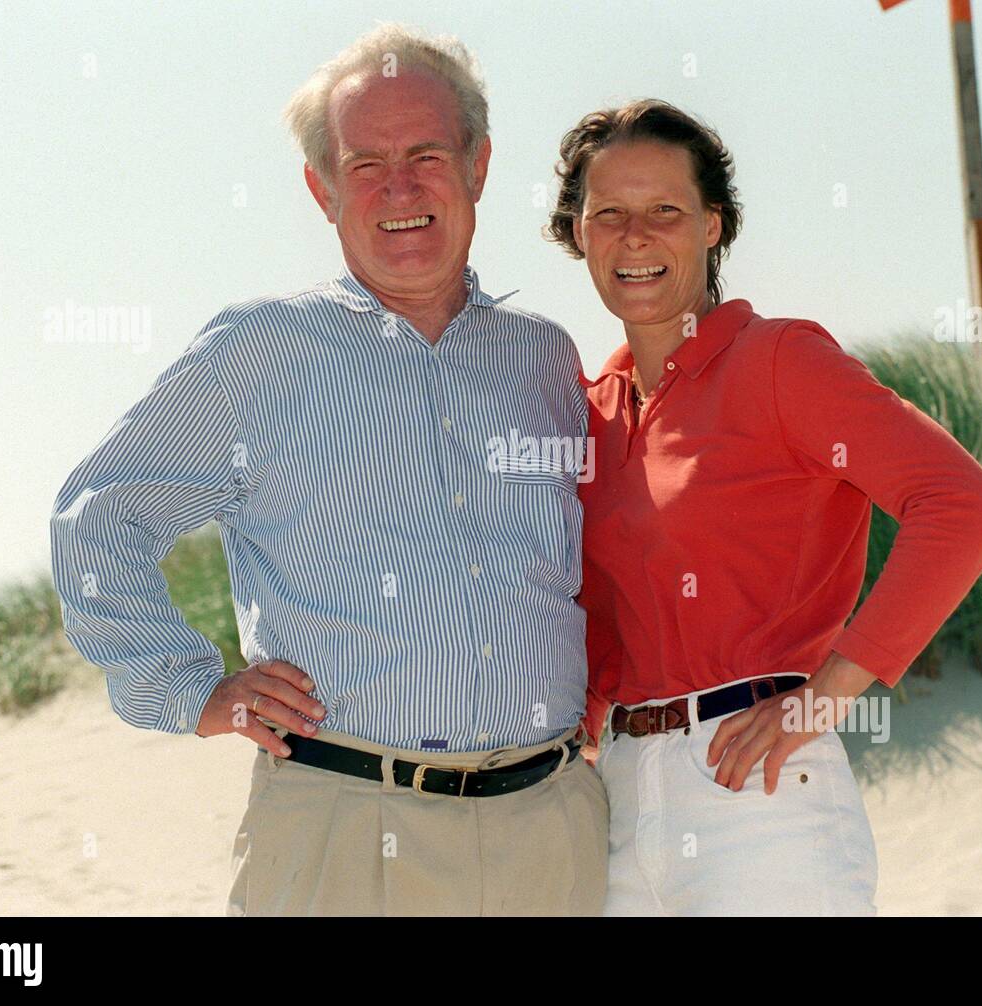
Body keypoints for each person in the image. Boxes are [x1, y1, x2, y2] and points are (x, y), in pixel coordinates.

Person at [49, 23, 607, 916]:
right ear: (321, 187)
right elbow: (97, 517)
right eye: (364, 164)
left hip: (554, 834)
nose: (400, 188)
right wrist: (191, 689)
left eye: (427, 153)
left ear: (480, 165)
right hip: (343, 834)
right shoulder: (259, 354)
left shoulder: (545, 359)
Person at [546, 98, 982, 915]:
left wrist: (826, 694)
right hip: (621, 799)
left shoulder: (778, 363)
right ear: (578, 233)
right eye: (609, 213)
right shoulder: (590, 409)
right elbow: (603, 620)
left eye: (666, 211)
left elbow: (964, 506)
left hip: (759, 796)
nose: (636, 236)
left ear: (713, 226)